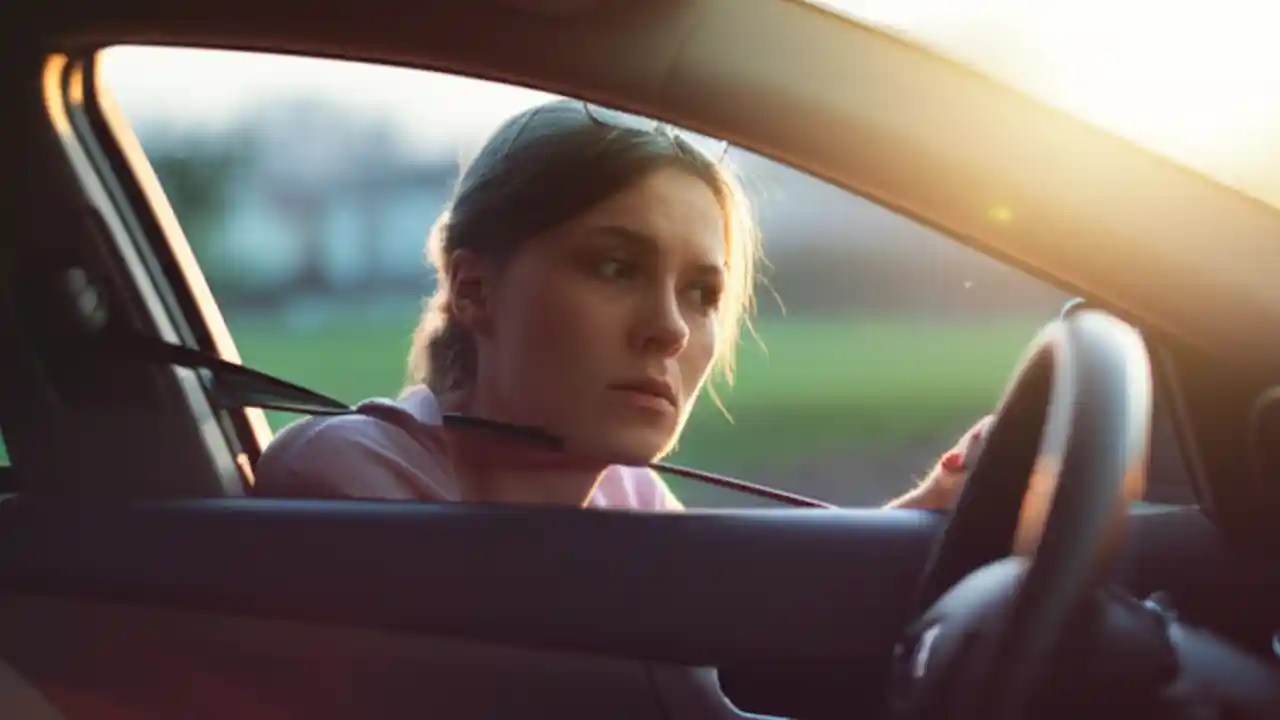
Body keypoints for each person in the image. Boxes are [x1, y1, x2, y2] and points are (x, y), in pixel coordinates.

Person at [255, 99, 990, 510]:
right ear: (474, 290)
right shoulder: (348, 482)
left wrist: (932, 508)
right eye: (615, 267)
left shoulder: (629, 495)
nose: (670, 331)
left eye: (703, 293)